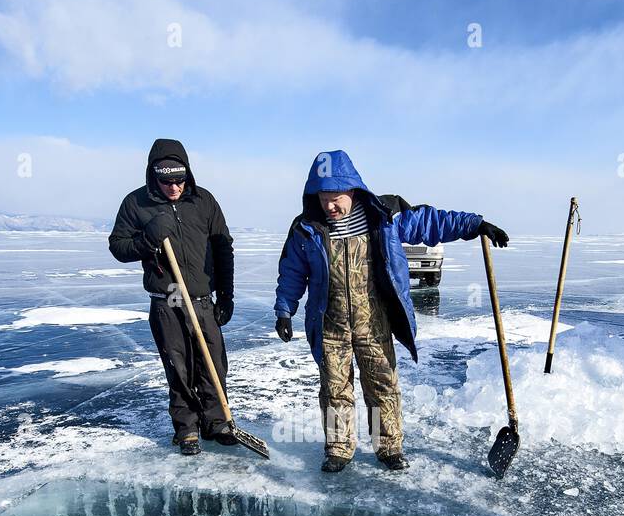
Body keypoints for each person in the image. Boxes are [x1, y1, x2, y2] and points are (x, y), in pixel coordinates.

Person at [274, 149, 508, 472]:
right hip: (332, 325)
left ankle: (388, 446)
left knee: (382, 384)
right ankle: (339, 448)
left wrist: (475, 225)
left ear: (352, 189)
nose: (330, 205)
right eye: (323, 196)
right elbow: (292, 272)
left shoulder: (383, 218)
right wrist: (284, 309)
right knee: (334, 389)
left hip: (374, 321)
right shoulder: (307, 229)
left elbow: (431, 222)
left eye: (336, 196)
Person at [109, 138, 235, 455]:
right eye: (166, 181)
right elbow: (118, 247)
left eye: (179, 180)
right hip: (167, 299)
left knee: (214, 364)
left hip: (202, 298)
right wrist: (148, 238)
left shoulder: (204, 201)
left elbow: (223, 247)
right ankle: (187, 428)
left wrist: (227, 294)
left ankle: (216, 422)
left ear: (187, 175)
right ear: (154, 177)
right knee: (179, 366)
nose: (174, 188)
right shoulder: (136, 204)